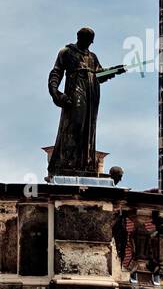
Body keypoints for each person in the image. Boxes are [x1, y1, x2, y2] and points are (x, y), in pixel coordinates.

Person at [47, 27, 125, 177]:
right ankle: (66, 162)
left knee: (88, 128)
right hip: (75, 90)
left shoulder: (93, 57)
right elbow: (56, 72)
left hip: (92, 94)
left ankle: (84, 164)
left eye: (90, 41)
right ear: (78, 37)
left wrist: (115, 70)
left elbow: (100, 75)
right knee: (75, 124)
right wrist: (56, 93)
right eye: (85, 39)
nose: (88, 43)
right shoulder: (67, 52)